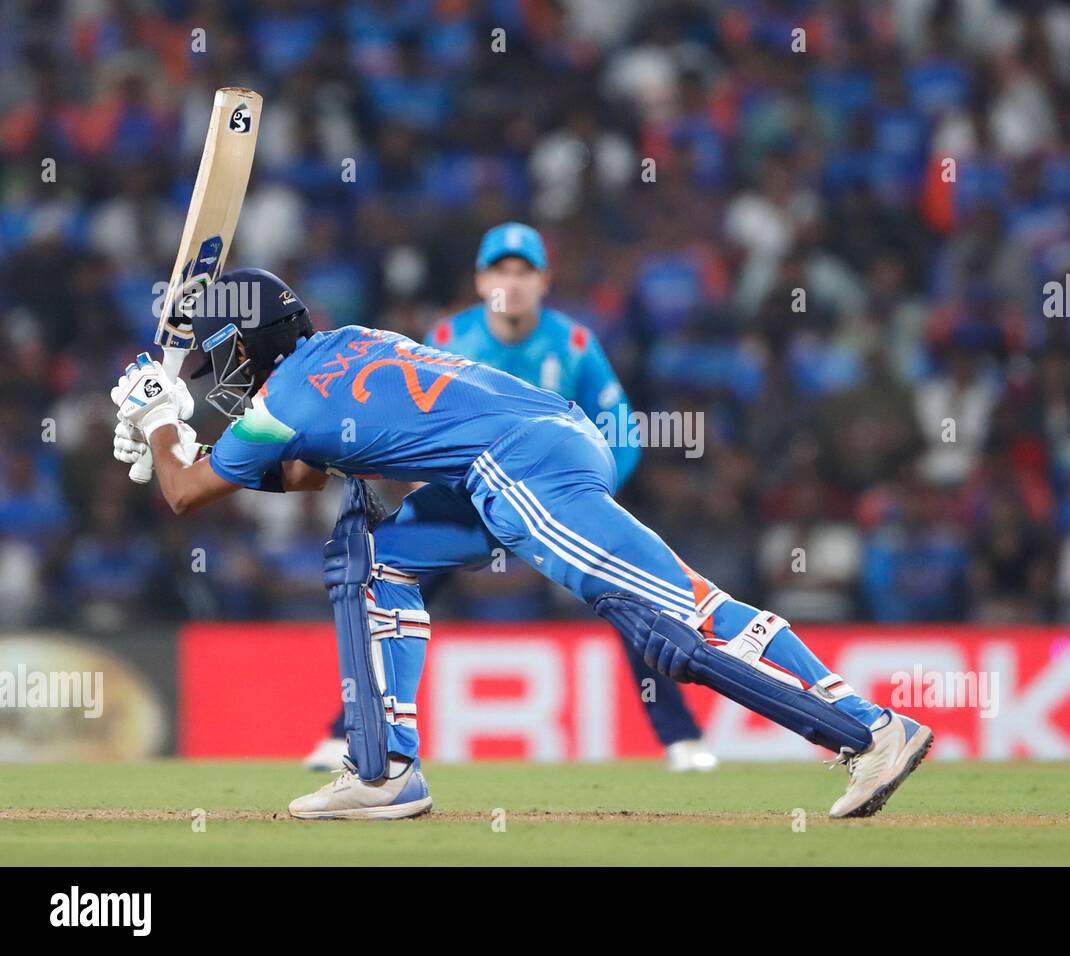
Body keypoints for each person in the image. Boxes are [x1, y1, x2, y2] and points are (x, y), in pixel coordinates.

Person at [111, 268, 933, 820]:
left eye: (219, 354)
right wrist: (172, 426)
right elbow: (302, 472)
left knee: (667, 623)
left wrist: (158, 422)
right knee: (375, 558)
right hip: (519, 450)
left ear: (251, 344)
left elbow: (187, 489)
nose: (216, 372)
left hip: (519, 467)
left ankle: (867, 730)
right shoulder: (342, 348)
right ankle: (384, 771)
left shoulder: (286, 398)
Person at [303, 223, 715, 773]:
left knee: (630, 605)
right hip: (470, 500)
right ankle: (347, 731)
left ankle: (681, 739)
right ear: (480, 279)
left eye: (524, 271)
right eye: (501, 270)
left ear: (545, 281)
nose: (512, 282)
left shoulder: (573, 344)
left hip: (554, 503)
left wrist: (587, 496)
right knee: (383, 573)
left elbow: (621, 429)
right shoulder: (448, 338)